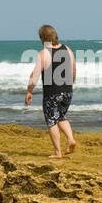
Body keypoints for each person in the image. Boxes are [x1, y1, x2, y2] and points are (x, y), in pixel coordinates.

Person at [25, 24, 77, 158]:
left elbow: (35, 75)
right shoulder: (68, 49)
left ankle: (58, 152)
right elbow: (73, 71)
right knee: (61, 117)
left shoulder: (44, 53)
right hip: (67, 91)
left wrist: (29, 91)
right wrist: (69, 87)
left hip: (52, 93)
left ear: (43, 38)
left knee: (51, 121)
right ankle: (71, 139)